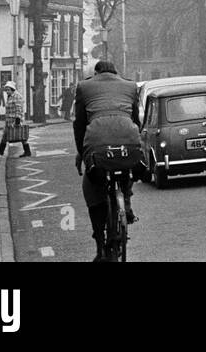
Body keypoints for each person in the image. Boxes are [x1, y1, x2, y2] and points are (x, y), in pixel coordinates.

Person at [74, 60, 142, 262]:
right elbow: (137, 121)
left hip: (97, 142)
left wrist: (82, 154)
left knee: (92, 184)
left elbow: (79, 124)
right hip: (128, 140)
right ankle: (126, 203)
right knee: (127, 165)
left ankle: (100, 247)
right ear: (116, 72)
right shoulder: (130, 86)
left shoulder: (84, 87)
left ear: (96, 73)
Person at [0, 82, 32, 157]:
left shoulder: (17, 96)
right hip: (9, 120)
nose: (7, 91)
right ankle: (0, 150)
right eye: (6, 90)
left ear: (12, 89)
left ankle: (27, 152)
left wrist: (17, 120)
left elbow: (18, 108)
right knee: (5, 135)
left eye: (8, 90)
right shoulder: (10, 96)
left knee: (22, 136)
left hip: (14, 120)